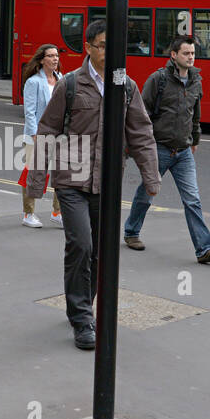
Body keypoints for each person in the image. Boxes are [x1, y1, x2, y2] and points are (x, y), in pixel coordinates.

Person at [28, 19, 160, 349]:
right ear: (88, 47)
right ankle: (83, 316)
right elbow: (46, 132)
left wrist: (151, 175)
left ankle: (81, 304)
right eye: (103, 45)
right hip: (71, 180)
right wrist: (36, 183)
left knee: (100, 251)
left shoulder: (126, 86)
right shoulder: (70, 85)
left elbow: (141, 133)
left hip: (107, 183)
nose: (109, 51)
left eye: (114, 45)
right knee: (82, 245)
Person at [123, 38, 210, 264]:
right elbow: (142, 114)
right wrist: (139, 144)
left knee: (192, 199)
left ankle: (204, 249)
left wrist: (195, 138)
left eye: (193, 53)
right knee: (147, 192)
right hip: (159, 148)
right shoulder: (158, 79)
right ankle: (132, 232)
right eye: (186, 53)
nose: (191, 57)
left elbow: (195, 113)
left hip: (183, 152)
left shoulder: (195, 80)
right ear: (173, 55)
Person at [20, 44, 63, 228]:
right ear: (42, 59)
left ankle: (57, 212)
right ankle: (28, 214)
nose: (55, 59)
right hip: (37, 135)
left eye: (56, 56)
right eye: (51, 56)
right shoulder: (34, 82)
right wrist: (34, 134)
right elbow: (29, 111)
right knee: (35, 174)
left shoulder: (61, 78)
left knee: (62, 175)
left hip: (58, 135)